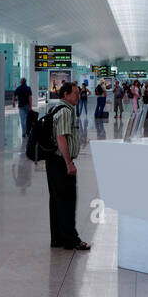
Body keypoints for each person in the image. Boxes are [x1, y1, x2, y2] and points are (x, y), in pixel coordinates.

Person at [45, 82, 90, 251]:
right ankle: (71, 240)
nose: (78, 96)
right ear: (65, 95)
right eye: (75, 93)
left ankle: (58, 238)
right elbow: (61, 138)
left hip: (53, 162)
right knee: (67, 202)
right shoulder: (65, 111)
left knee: (57, 201)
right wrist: (69, 163)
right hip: (61, 162)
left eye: (78, 93)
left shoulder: (55, 109)